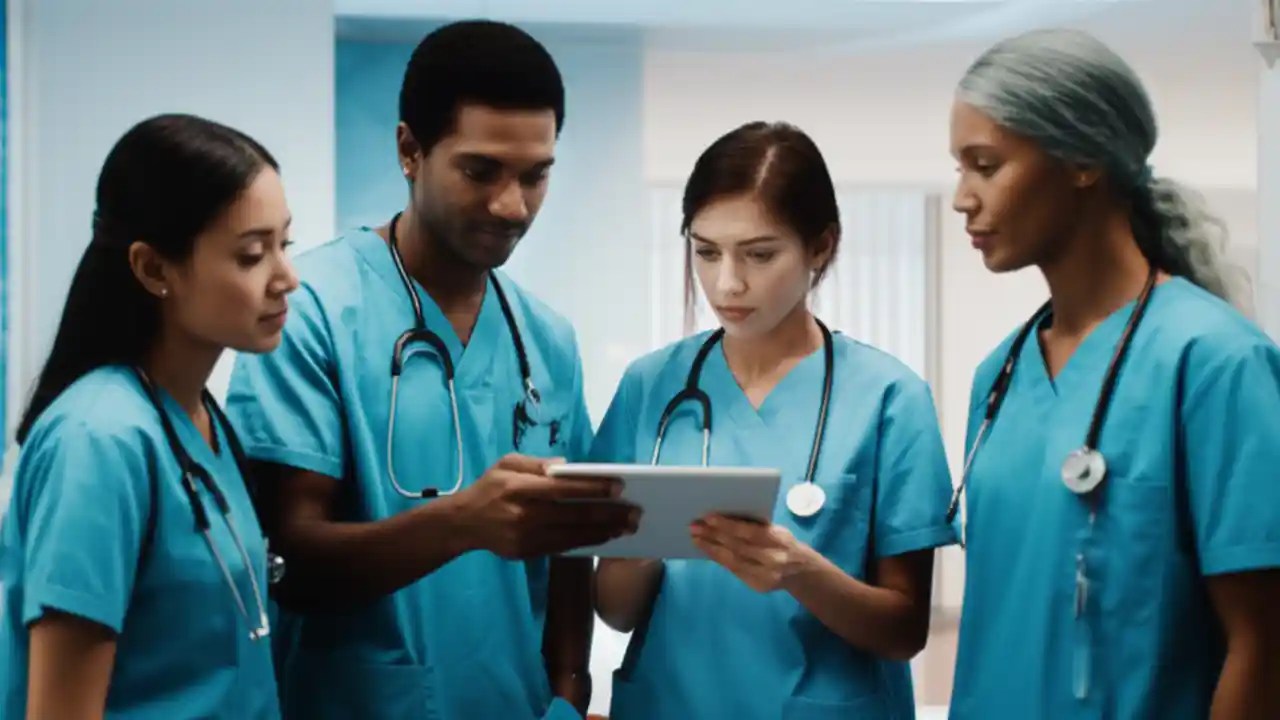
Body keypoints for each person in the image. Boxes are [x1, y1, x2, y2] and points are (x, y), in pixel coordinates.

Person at [223, 20, 636, 720]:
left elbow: (569, 557)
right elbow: (288, 562)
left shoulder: (547, 340)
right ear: (409, 151)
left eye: (535, 176)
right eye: (481, 171)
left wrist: (570, 692)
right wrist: (463, 523)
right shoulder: (310, 309)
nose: (513, 205)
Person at [947, 28, 1280, 719]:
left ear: (1082, 161)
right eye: (960, 168)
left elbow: (1264, 644)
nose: (962, 198)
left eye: (986, 165)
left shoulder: (1214, 362)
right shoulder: (998, 376)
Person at [591, 121, 958, 719]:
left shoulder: (890, 398)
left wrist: (799, 572)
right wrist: (639, 556)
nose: (727, 282)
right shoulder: (651, 385)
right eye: (706, 252)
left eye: (759, 255)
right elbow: (616, 611)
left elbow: (904, 631)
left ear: (822, 246)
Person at [0, 113, 297, 719]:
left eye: (283, 246)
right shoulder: (98, 441)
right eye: (251, 255)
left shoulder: (201, 423)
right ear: (154, 269)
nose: (286, 279)